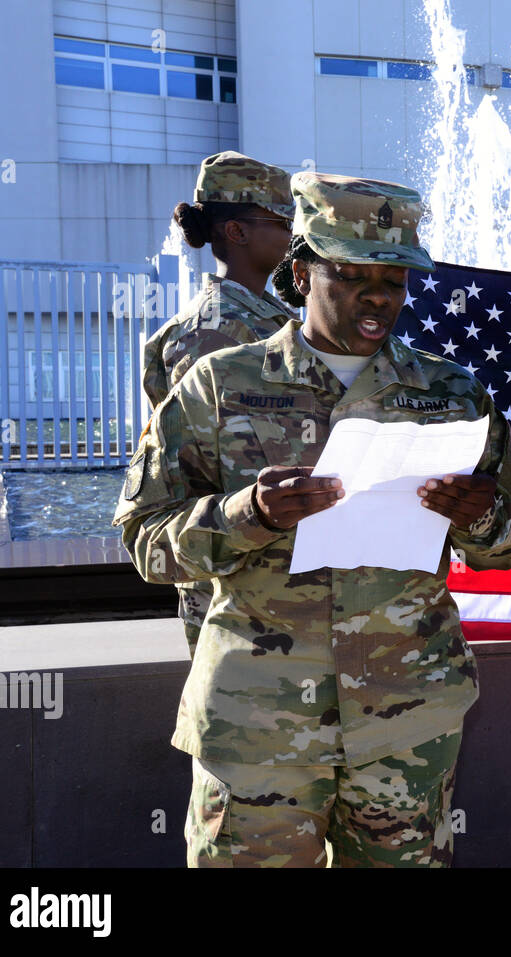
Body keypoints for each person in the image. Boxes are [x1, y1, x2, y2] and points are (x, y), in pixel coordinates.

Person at [114, 171, 511, 867]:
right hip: (260, 734)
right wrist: (245, 513)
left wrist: (482, 516)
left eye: (396, 280)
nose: (379, 295)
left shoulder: (454, 394)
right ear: (304, 269)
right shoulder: (221, 386)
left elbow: (509, 543)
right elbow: (143, 538)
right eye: (352, 274)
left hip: (405, 726)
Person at [142, 150, 297, 658]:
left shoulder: (269, 317)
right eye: (280, 222)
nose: (292, 235)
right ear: (237, 232)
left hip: (272, 560)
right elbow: (203, 460)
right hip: (233, 573)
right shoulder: (213, 331)